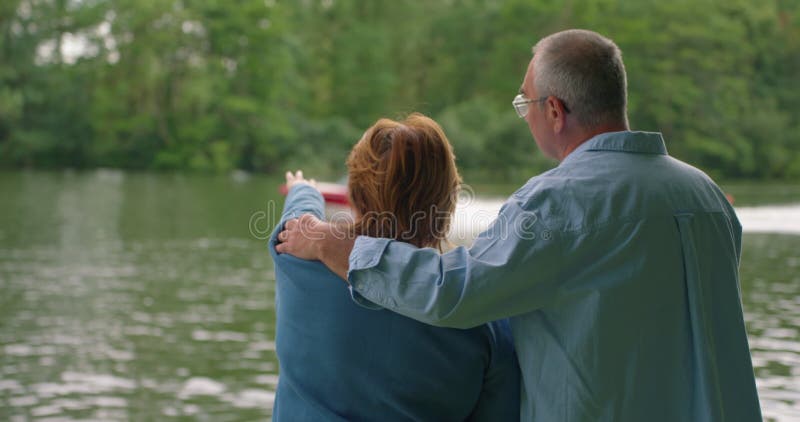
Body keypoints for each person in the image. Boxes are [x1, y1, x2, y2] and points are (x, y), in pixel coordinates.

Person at [275, 29, 763, 421]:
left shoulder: (557, 202)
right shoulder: (707, 197)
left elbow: (453, 292)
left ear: (554, 111)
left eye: (524, 104)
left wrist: (336, 244)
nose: (525, 116)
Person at [268, 114, 520, 421]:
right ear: (448, 201)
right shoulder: (483, 318)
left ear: (355, 196)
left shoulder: (294, 254)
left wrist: (303, 189)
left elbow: (299, 216)